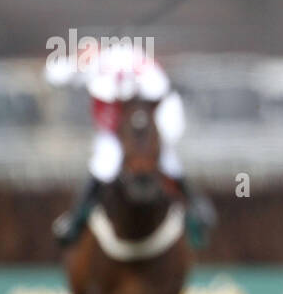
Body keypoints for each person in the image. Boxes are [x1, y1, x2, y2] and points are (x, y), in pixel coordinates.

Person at [48, 42, 215, 246]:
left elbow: (160, 97)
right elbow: (54, 75)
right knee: (104, 165)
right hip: (116, 128)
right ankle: (76, 220)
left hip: (149, 124)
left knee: (169, 162)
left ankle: (196, 210)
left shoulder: (144, 71)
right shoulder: (97, 64)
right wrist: (75, 60)